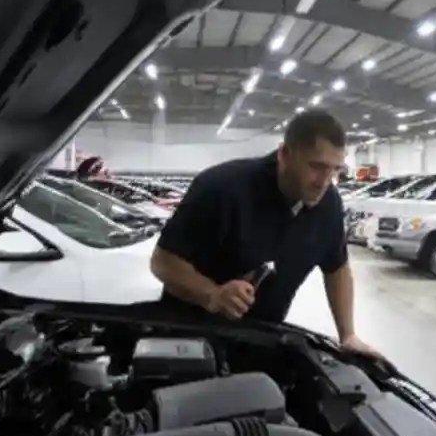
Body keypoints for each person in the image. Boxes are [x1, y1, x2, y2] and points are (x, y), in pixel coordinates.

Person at [149, 110, 379, 357]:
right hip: (188, 340)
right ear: (284, 154)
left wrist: (348, 334)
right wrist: (212, 295)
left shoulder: (329, 205)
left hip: (260, 341)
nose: (324, 181)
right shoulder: (222, 188)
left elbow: (337, 268)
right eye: (316, 166)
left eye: (335, 170)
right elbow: (163, 262)